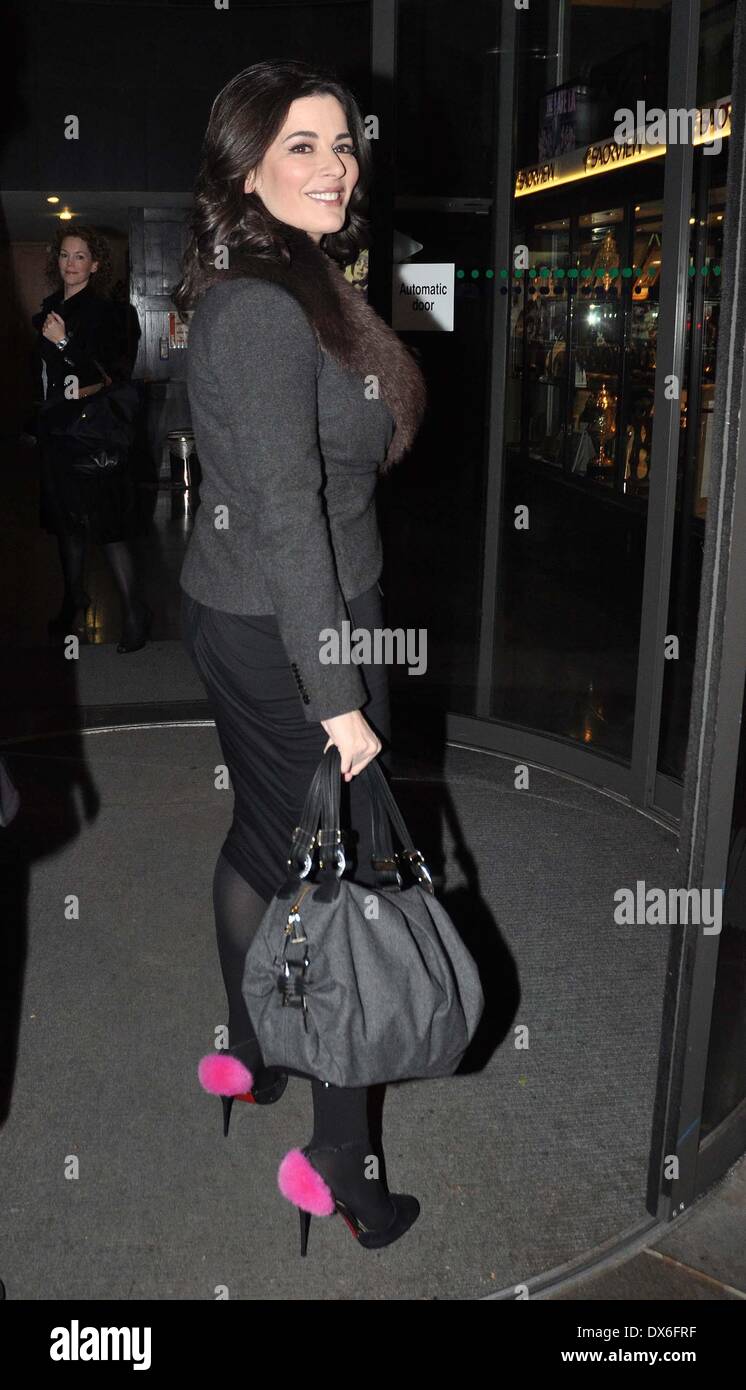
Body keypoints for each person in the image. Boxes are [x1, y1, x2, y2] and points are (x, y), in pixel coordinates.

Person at [173, 59, 427, 1253]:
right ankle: (342, 1168)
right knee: (348, 889)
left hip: (257, 614)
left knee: (263, 840)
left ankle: (245, 1050)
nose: (334, 165)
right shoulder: (264, 307)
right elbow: (283, 511)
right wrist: (340, 702)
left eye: (341, 143)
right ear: (246, 167)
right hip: (297, 630)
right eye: (302, 146)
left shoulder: (287, 280)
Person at [31, 227, 152, 652]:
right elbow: (44, 376)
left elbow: (113, 373)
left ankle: (135, 611)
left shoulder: (112, 313)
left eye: (80, 256)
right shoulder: (47, 309)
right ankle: (73, 601)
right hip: (57, 429)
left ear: (95, 264)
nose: (71, 263)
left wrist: (63, 342)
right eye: (65, 255)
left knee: (109, 525)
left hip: (93, 432)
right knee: (66, 526)